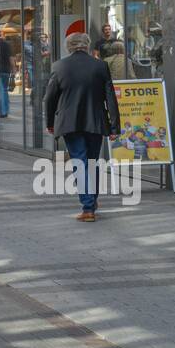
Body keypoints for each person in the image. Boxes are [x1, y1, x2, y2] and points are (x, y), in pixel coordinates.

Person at [44, 32, 122, 222]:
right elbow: (110, 97)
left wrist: (50, 123)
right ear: (86, 45)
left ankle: (88, 207)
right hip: (95, 121)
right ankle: (91, 201)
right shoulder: (100, 65)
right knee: (92, 162)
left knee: (80, 161)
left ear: (68, 47)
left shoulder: (59, 66)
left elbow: (50, 98)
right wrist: (114, 127)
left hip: (70, 123)